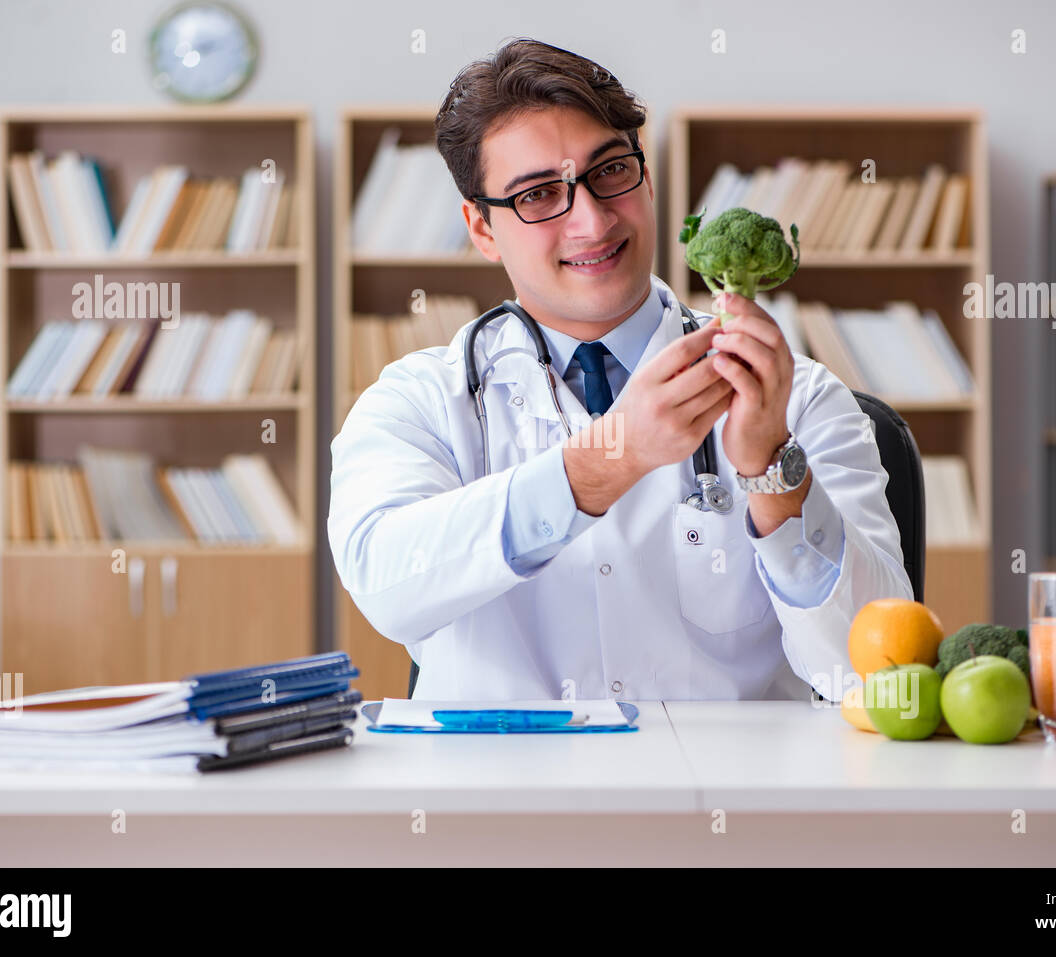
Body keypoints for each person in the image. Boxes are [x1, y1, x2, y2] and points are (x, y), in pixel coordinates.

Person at [328, 37, 912, 701]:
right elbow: (386, 582)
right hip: (503, 799)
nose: (592, 218)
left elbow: (880, 669)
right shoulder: (419, 402)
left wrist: (770, 468)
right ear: (481, 228)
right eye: (539, 194)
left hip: (728, 798)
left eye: (609, 171)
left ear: (647, 174)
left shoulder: (797, 396)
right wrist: (607, 461)